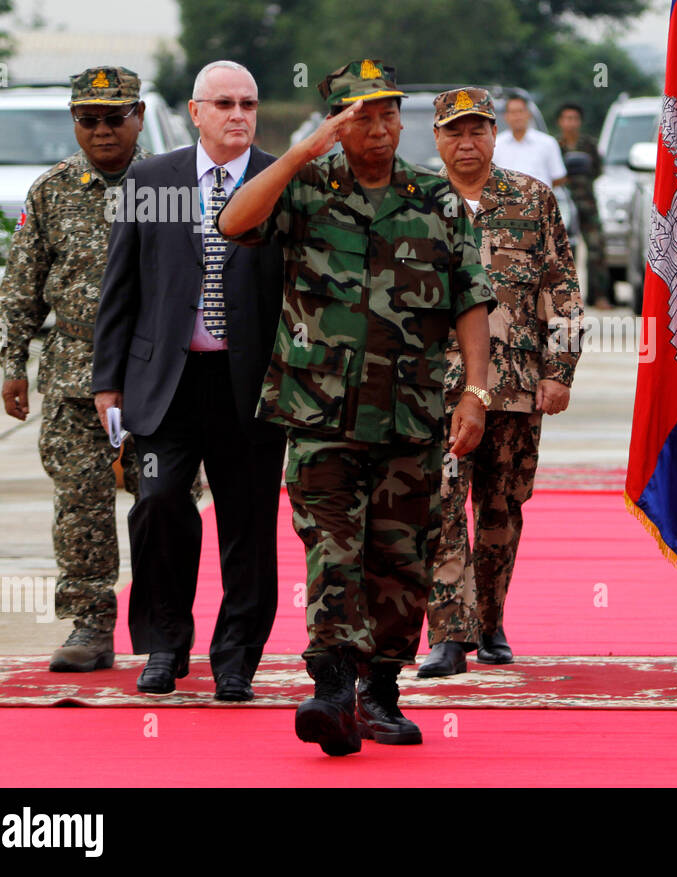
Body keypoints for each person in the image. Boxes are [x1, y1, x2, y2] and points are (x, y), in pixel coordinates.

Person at [218, 60, 495, 756]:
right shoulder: (306, 188)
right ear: (338, 126)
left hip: (410, 415)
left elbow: (470, 299)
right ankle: (333, 684)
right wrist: (303, 150)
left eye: (388, 114)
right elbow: (233, 221)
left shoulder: (435, 199)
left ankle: (380, 692)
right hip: (319, 413)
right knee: (333, 551)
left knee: (400, 559)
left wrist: (476, 391)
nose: (378, 128)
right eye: (361, 117)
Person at [91, 60, 285, 702]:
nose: (238, 115)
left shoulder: (280, 180)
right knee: (157, 504)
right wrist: (107, 383)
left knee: (249, 525)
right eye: (224, 103)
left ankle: (236, 658)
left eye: (249, 104)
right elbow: (121, 288)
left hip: (249, 386)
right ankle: (165, 644)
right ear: (196, 112)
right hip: (163, 383)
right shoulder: (152, 180)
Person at [419, 87, 584, 678]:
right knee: (438, 507)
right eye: (455, 132)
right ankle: (447, 632)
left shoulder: (531, 198)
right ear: (436, 138)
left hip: (514, 388)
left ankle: (489, 621)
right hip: (434, 389)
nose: (467, 143)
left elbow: (562, 288)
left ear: (494, 134)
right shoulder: (416, 201)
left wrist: (558, 371)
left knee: (501, 510)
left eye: (477, 131)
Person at [0, 66, 148, 673]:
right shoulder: (52, 189)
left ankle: (165, 623)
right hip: (72, 376)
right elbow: (22, 283)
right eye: (89, 119)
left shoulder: (170, 185)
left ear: (138, 116)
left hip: (153, 371)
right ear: (74, 122)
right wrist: (13, 361)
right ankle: (89, 624)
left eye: (115, 116)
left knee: (162, 501)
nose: (103, 129)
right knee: (81, 503)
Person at [556, 103, 611, 308]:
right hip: (563, 203)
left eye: (574, 118)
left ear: (579, 121)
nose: (570, 123)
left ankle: (600, 295)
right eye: (566, 118)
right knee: (563, 250)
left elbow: (597, 171)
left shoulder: (589, 145)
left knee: (596, 247)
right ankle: (565, 296)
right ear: (560, 122)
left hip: (588, 203)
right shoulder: (555, 146)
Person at [493, 94, 567, 189]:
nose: (517, 116)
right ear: (506, 116)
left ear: (529, 114)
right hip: (506, 202)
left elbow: (558, 177)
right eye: (513, 112)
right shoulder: (496, 144)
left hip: (540, 201)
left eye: (520, 111)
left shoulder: (548, 143)